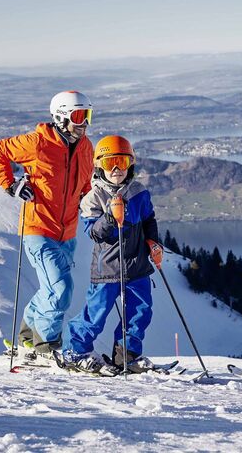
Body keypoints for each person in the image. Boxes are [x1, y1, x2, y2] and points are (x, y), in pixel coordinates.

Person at [0, 90, 94, 358]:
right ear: (61, 117)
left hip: (67, 232)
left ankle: (27, 334)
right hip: (38, 229)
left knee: (51, 288)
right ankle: (47, 345)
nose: (84, 124)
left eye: (88, 116)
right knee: (62, 289)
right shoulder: (37, 143)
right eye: (79, 116)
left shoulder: (86, 147)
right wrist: (10, 184)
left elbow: (84, 184)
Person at [61, 135, 162, 374]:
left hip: (137, 267)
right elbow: (94, 233)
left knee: (140, 312)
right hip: (108, 269)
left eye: (122, 162)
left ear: (131, 165)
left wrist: (154, 243)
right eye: (109, 163)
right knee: (96, 313)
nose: (116, 169)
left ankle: (126, 355)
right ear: (99, 167)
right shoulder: (93, 198)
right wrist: (109, 217)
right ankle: (76, 350)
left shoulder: (139, 191)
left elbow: (149, 219)